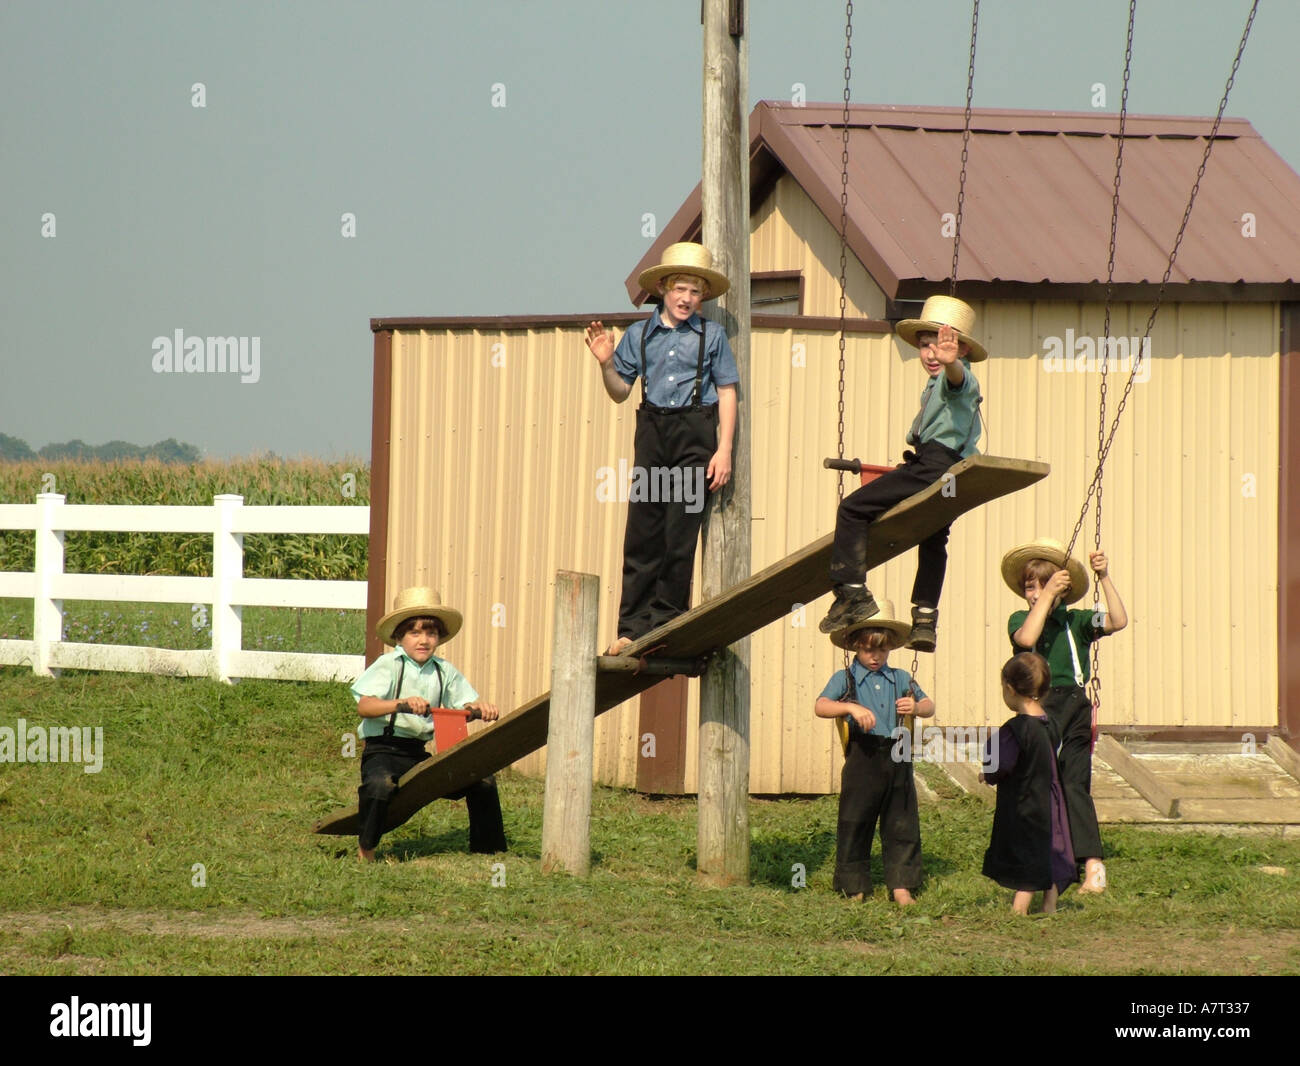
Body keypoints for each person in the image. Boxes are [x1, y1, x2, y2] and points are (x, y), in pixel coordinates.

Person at [584, 242, 739, 655]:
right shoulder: (639, 335)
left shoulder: (713, 335)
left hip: (695, 435)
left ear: (702, 296)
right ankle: (632, 627)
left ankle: (667, 620)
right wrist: (605, 363)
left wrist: (723, 450)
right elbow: (620, 393)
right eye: (680, 289)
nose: (687, 298)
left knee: (679, 531)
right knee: (643, 530)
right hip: (653, 432)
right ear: (664, 290)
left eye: (695, 292)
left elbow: (727, 392)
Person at [819, 295, 985, 652]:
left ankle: (852, 591)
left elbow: (957, 381)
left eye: (942, 346)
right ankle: (925, 618)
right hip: (948, 472)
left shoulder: (960, 379)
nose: (932, 354)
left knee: (852, 509)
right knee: (933, 537)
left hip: (936, 464)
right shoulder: (932, 386)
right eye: (926, 346)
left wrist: (952, 363)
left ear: (962, 350)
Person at [1003, 537, 1129, 893]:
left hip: (1074, 703)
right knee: (1041, 782)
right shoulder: (1020, 619)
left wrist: (1104, 576)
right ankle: (1051, 859)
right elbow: (1027, 639)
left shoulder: (1076, 621)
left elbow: (1118, 620)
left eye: (1043, 585)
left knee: (1075, 783)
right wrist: (1046, 598)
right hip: (1041, 706)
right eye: (1030, 586)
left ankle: (1092, 865)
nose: (1035, 593)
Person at [351, 586, 507, 862]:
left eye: (430, 633)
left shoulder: (443, 670)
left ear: (439, 637)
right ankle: (367, 851)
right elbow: (365, 706)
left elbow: (465, 705)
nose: (423, 640)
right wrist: (400, 704)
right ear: (399, 637)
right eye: (415, 632)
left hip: (417, 754)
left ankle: (489, 851)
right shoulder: (389, 665)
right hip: (383, 751)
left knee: (481, 779)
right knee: (379, 785)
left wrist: (480, 709)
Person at [815, 599, 935, 904]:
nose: (875, 656)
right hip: (862, 756)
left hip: (898, 753)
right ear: (855, 645)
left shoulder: (901, 678)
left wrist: (917, 707)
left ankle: (901, 885)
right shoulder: (845, 679)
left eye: (882, 650)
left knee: (901, 819)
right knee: (856, 819)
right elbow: (821, 706)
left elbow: (929, 706)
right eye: (869, 649)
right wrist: (850, 707)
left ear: (891, 647)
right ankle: (854, 885)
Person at [981, 653, 1076, 915]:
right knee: (1049, 852)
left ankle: (1018, 911)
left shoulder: (1017, 728)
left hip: (1026, 804)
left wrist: (987, 774)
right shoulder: (1050, 723)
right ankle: (1050, 905)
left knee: (1028, 857)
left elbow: (1001, 762)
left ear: (1010, 689)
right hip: (1052, 799)